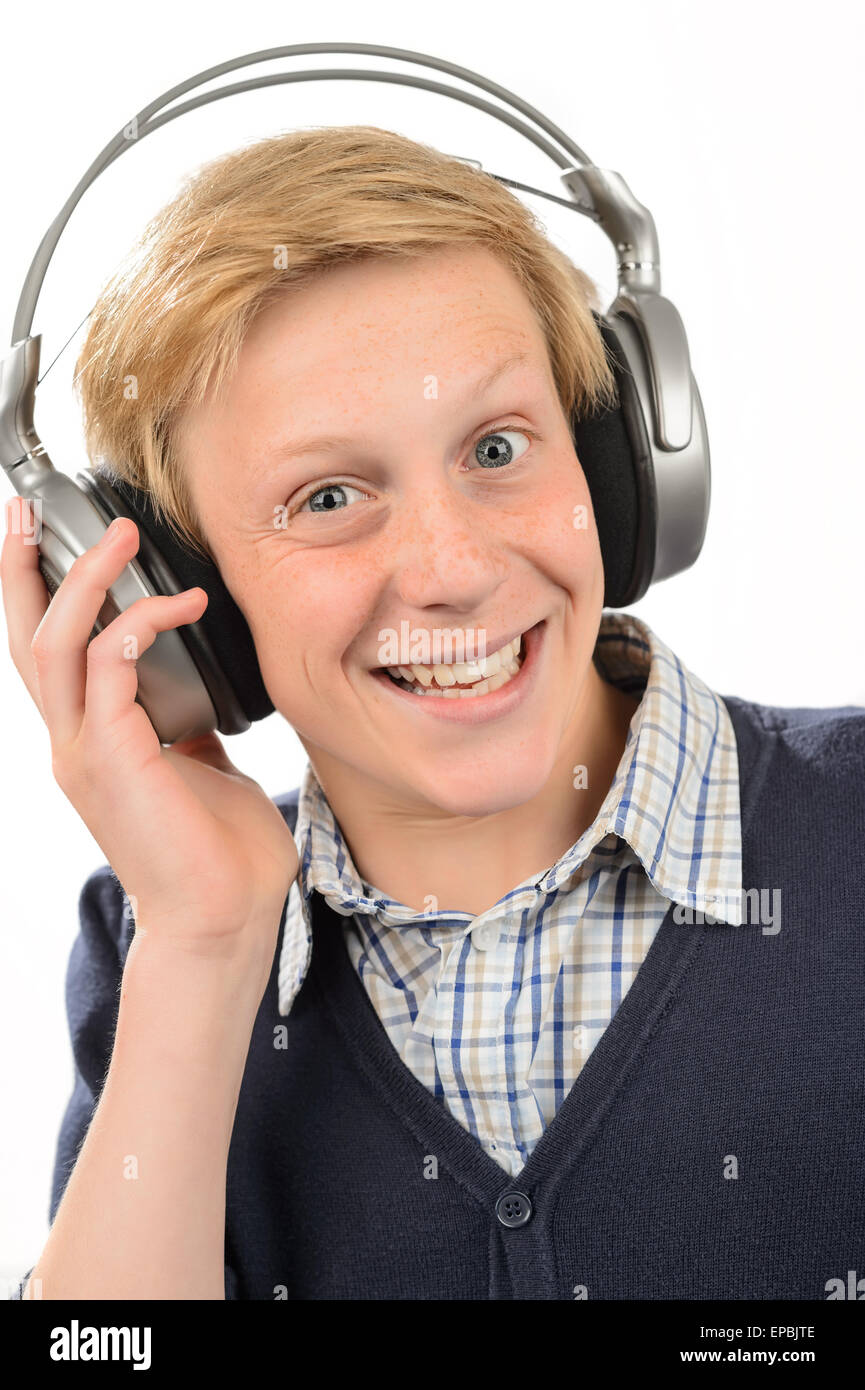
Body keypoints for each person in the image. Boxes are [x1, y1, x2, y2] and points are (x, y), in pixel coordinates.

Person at [4, 126, 863, 1301]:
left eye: (498, 447)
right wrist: (203, 947)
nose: (451, 565)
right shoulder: (155, 946)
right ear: (171, 603)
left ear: (618, 468)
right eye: (328, 495)